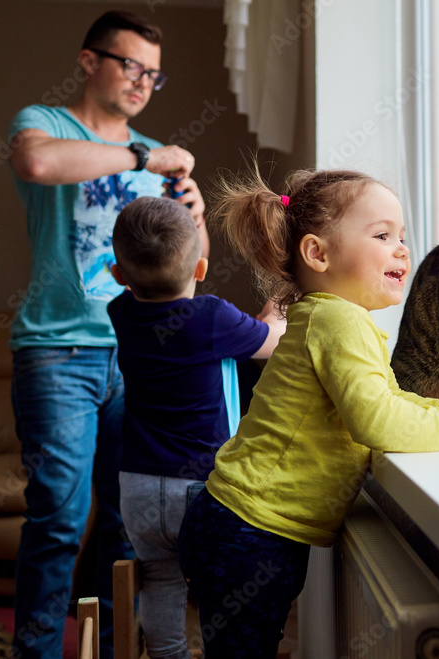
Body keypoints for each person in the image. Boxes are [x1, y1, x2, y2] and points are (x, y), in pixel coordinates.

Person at [176, 166, 439, 657]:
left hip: (249, 527)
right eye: (382, 235)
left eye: (402, 236)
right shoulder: (337, 320)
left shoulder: (336, 317)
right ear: (318, 253)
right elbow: (377, 421)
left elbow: (387, 398)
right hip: (247, 530)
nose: (401, 249)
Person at [6, 11, 207, 659]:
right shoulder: (47, 124)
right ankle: (34, 652)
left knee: (130, 526)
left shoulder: (156, 158)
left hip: (138, 355)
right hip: (56, 350)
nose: (144, 82)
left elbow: (188, 268)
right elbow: (37, 162)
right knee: (59, 520)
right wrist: (145, 157)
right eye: (131, 66)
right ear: (90, 61)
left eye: (154, 72)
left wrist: (195, 217)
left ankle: (121, 651)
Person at [106, 196, 284, 659]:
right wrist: (277, 311)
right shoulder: (212, 317)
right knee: (215, 582)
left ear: (119, 275)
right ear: (200, 268)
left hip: (137, 484)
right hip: (201, 486)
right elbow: (271, 343)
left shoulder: (119, 314)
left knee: (160, 578)